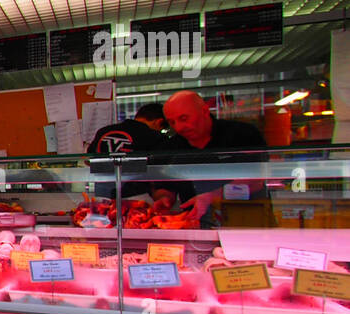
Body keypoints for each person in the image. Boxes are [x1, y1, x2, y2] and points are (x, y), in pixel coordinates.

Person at [160, 90, 268, 224]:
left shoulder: (242, 134)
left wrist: (212, 196)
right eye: (172, 122)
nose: (179, 127)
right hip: (196, 226)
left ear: (204, 111)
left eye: (184, 118)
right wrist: (165, 198)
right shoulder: (172, 147)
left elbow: (256, 181)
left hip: (246, 220)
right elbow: (167, 186)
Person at [87, 103, 171, 201]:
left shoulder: (103, 131)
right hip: (136, 197)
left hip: (102, 194)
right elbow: (157, 168)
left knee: (105, 214)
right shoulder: (154, 136)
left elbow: (89, 160)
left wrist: (110, 166)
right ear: (159, 122)